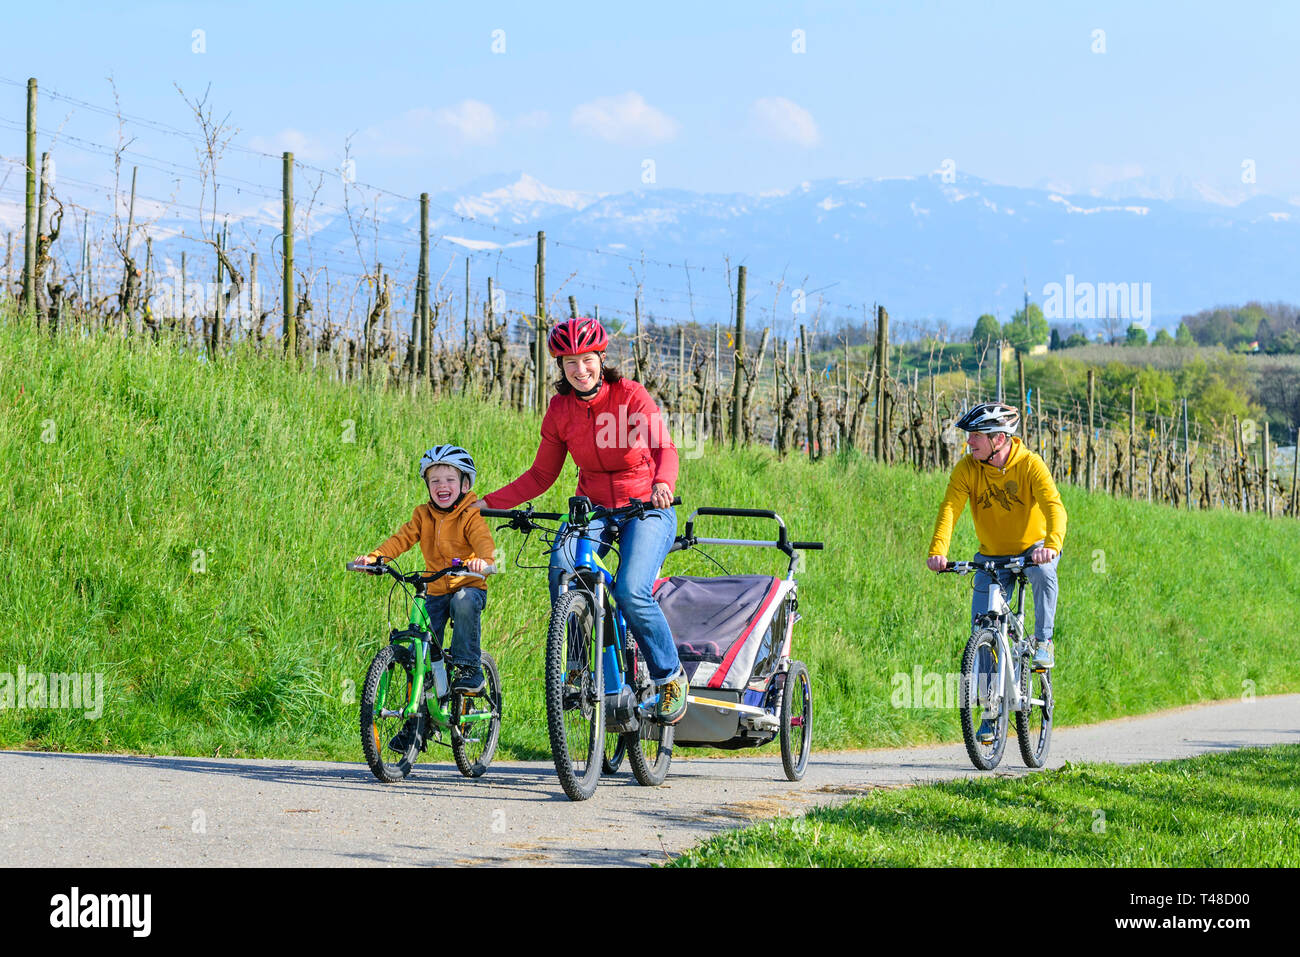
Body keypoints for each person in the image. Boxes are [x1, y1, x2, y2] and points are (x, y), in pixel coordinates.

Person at [475, 317, 689, 725]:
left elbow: (665, 446)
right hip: (591, 508)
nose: (580, 369)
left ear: (600, 359)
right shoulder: (560, 410)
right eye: (570, 362)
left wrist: (663, 481)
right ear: (561, 366)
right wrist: (488, 502)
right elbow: (541, 475)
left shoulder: (630, 394)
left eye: (587, 359)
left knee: (630, 589)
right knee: (562, 570)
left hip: (647, 506)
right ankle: (576, 663)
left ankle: (669, 677)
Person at [925, 402, 1067, 744]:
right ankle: (990, 713)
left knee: (1045, 573)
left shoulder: (1030, 464)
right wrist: (938, 551)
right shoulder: (967, 469)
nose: (969, 442)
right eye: (969, 435)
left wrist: (1051, 544)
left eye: (976, 435)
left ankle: (1043, 641)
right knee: (983, 629)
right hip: (990, 556)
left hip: (1033, 549)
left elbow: (1054, 507)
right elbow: (950, 508)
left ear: (999, 439)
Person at [353, 444, 496, 754]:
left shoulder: (470, 515)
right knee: (419, 647)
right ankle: (416, 724)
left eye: (449, 480)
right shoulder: (423, 515)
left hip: (467, 585)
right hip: (434, 589)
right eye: (434, 481)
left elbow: (484, 542)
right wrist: (377, 558)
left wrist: (483, 561)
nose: (441, 486)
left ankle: (469, 668)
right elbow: (401, 539)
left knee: (463, 600)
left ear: (465, 485)